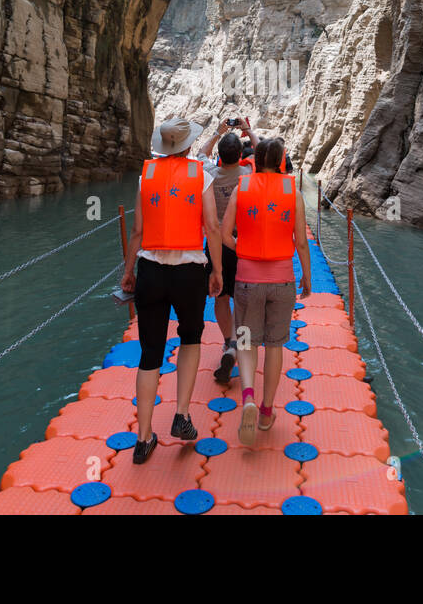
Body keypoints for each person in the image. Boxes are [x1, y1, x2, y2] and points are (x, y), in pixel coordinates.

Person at [120, 118, 224, 464]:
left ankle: (143, 437)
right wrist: (217, 270)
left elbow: (136, 231)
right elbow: (211, 226)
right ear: (188, 146)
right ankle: (181, 415)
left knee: (149, 354)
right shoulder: (201, 176)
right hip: (190, 274)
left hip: (151, 271)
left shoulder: (145, 177)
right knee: (191, 339)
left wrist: (128, 270)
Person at [220, 137, 311, 446]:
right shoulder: (293, 192)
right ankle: (266, 411)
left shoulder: (240, 188)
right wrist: (307, 276)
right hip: (282, 280)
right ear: (282, 161)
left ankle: (247, 395)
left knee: (245, 341)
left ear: (255, 160)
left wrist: (242, 250)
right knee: (274, 346)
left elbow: (223, 233)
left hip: (246, 280)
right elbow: (300, 241)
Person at [199, 126, 246, 383]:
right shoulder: (247, 175)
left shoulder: (209, 174)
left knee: (220, 294)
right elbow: (263, 158)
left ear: (220, 155)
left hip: (215, 242)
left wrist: (217, 132)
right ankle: (239, 343)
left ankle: (228, 342)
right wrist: (247, 129)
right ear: (240, 154)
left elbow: (200, 153)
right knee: (241, 294)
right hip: (241, 242)